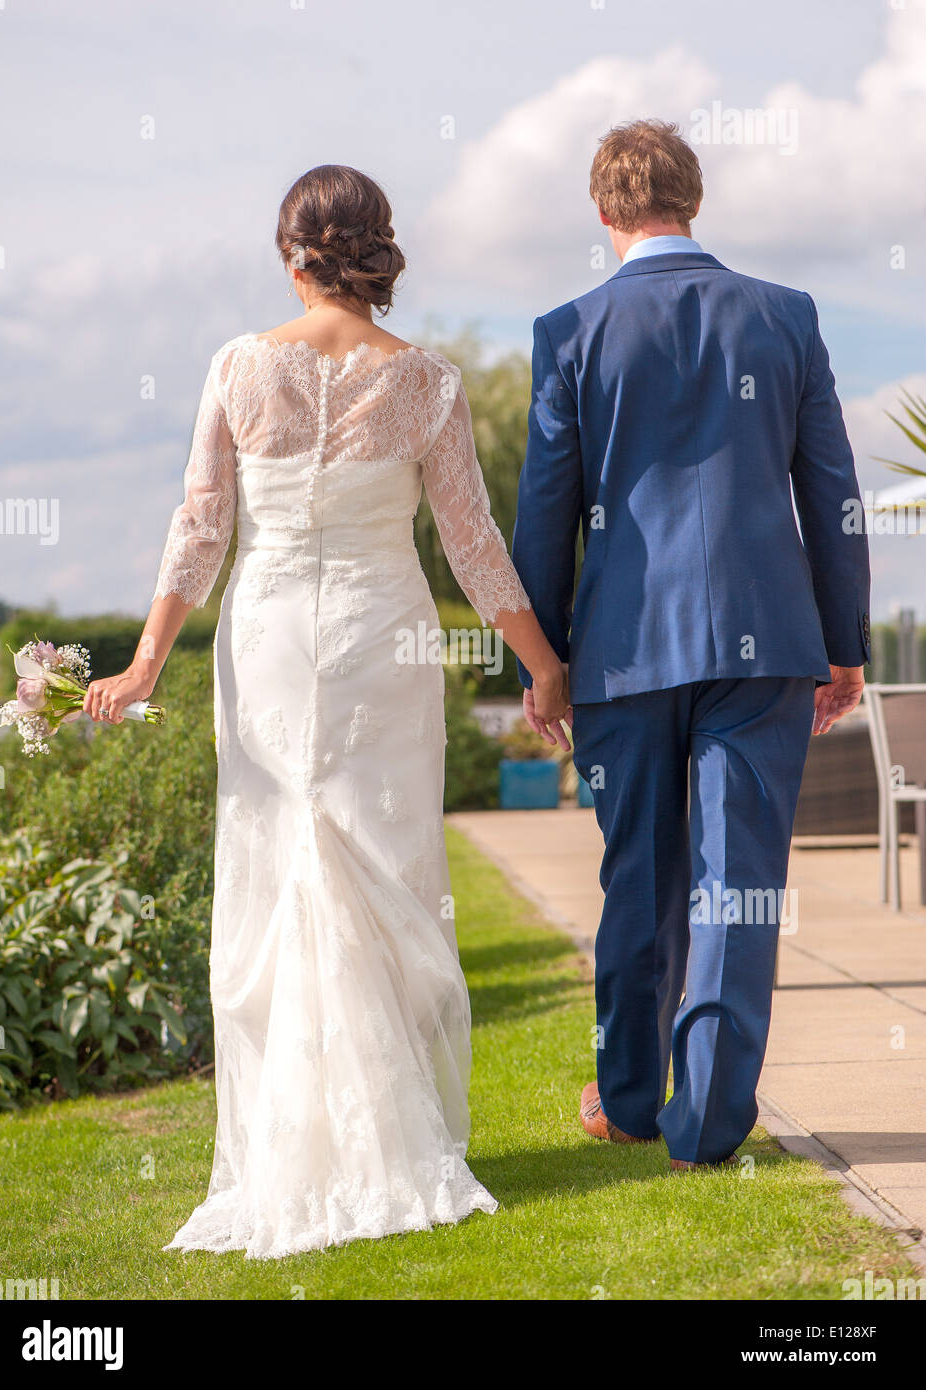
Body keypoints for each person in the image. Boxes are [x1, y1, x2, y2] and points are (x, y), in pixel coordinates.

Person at [84, 164, 570, 1256]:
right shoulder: (428, 381)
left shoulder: (237, 366)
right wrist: (544, 665)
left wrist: (149, 661)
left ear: (290, 252)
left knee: (274, 871)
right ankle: (388, 1142)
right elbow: (471, 544)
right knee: (382, 864)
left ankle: (291, 1150)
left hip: (261, 643)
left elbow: (200, 525)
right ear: (380, 249)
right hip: (377, 641)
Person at [513, 119, 871, 1169]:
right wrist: (843, 641)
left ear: (603, 211)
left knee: (639, 875)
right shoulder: (786, 316)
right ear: (695, 198)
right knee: (738, 879)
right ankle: (706, 1119)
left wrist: (546, 656)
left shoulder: (568, 330)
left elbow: (546, 509)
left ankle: (627, 1098)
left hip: (620, 651)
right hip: (765, 645)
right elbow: (834, 493)